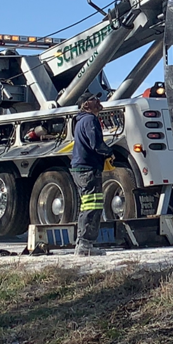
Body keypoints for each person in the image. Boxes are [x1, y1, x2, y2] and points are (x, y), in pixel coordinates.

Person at [70, 99, 111, 255]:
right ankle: (85, 245)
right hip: (88, 169)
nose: (99, 102)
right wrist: (109, 152)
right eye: (95, 100)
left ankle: (82, 243)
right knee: (93, 206)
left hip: (80, 168)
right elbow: (96, 144)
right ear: (86, 104)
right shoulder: (90, 120)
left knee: (87, 205)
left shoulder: (80, 121)